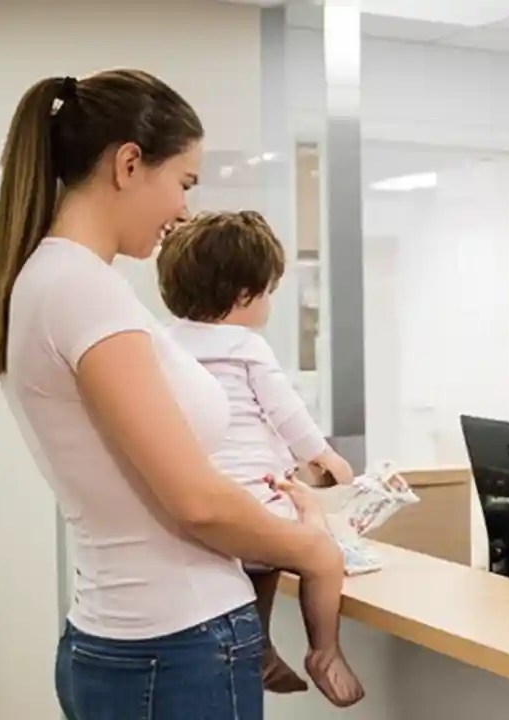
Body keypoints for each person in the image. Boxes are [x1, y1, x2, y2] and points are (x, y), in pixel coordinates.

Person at [0, 70, 346, 719]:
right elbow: (196, 502)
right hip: (176, 647)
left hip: (125, 639)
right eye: (183, 182)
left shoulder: (48, 281)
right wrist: (312, 549)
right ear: (128, 164)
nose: (183, 210)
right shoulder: (81, 289)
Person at [156, 210, 362, 704]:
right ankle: (324, 650)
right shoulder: (247, 346)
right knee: (321, 557)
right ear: (244, 294)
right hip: (257, 496)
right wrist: (326, 458)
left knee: (255, 559)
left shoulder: (162, 343)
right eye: (267, 292)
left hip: (202, 498)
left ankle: (262, 644)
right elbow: (287, 412)